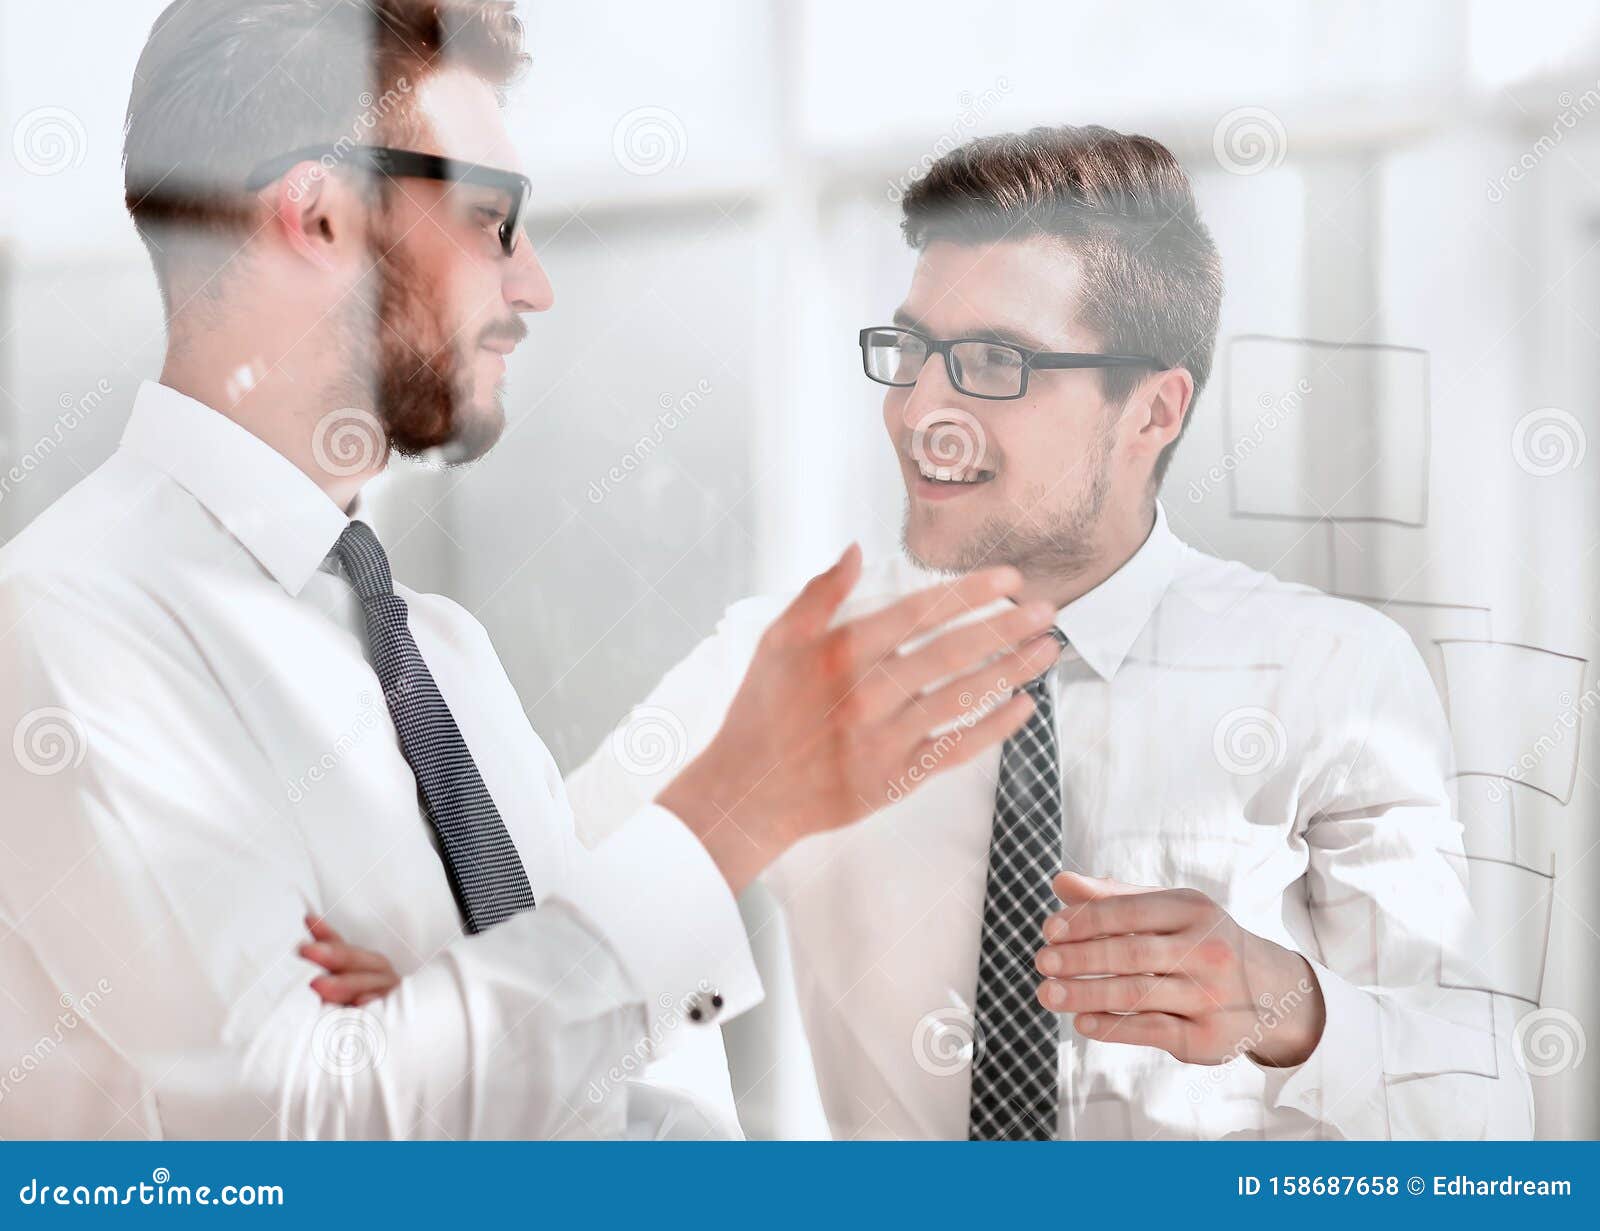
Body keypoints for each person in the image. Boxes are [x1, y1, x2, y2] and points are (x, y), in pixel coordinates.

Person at [0, 0, 1060, 1139]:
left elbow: (589, 1121)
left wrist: (446, 1029)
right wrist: (731, 808)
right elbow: (311, 1131)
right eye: (493, 221)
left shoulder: (445, 656)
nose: (533, 285)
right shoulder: (64, 618)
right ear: (315, 217)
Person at [552, 126, 1533, 1138]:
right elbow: (536, 936)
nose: (917, 413)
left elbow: (1486, 1103)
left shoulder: (1332, 672)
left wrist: (1290, 1006)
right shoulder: (795, 659)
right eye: (911, 352)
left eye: (990, 362)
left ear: (1152, 410)